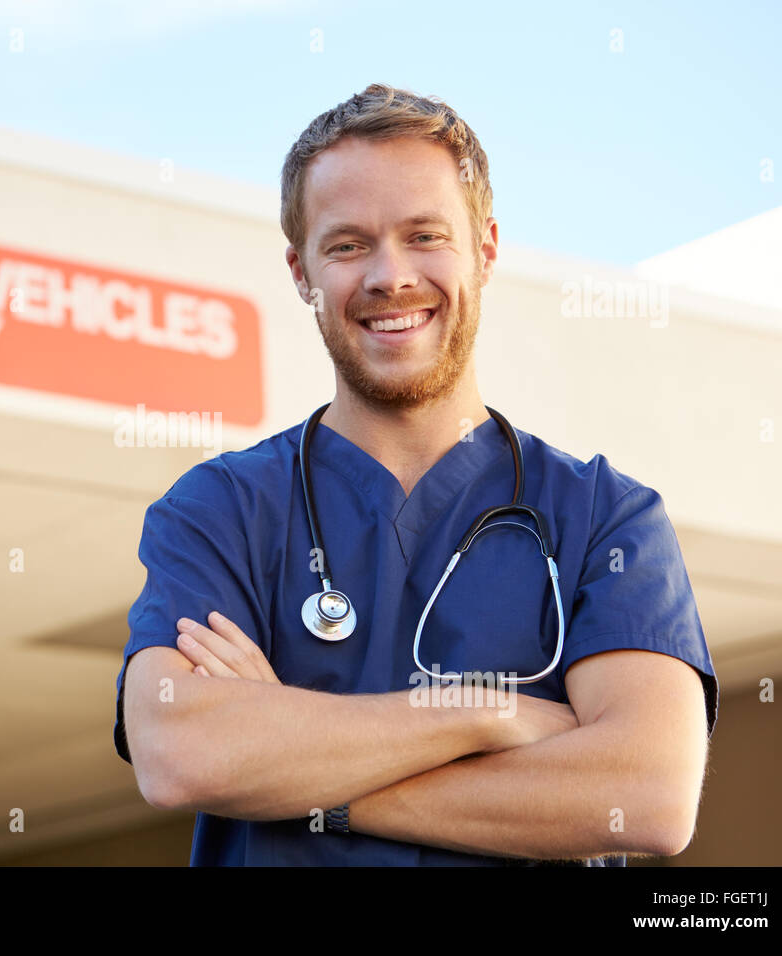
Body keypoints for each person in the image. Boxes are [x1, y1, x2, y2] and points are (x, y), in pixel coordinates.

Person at [112, 84, 718, 866]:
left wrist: (303, 774)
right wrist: (490, 714)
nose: (390, 276)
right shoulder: (221, 511)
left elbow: (644, 795)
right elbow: (181, 752)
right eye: (348, 245)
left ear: (487, 249)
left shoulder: (605, 518)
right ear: (301, 272)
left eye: (425, 235)